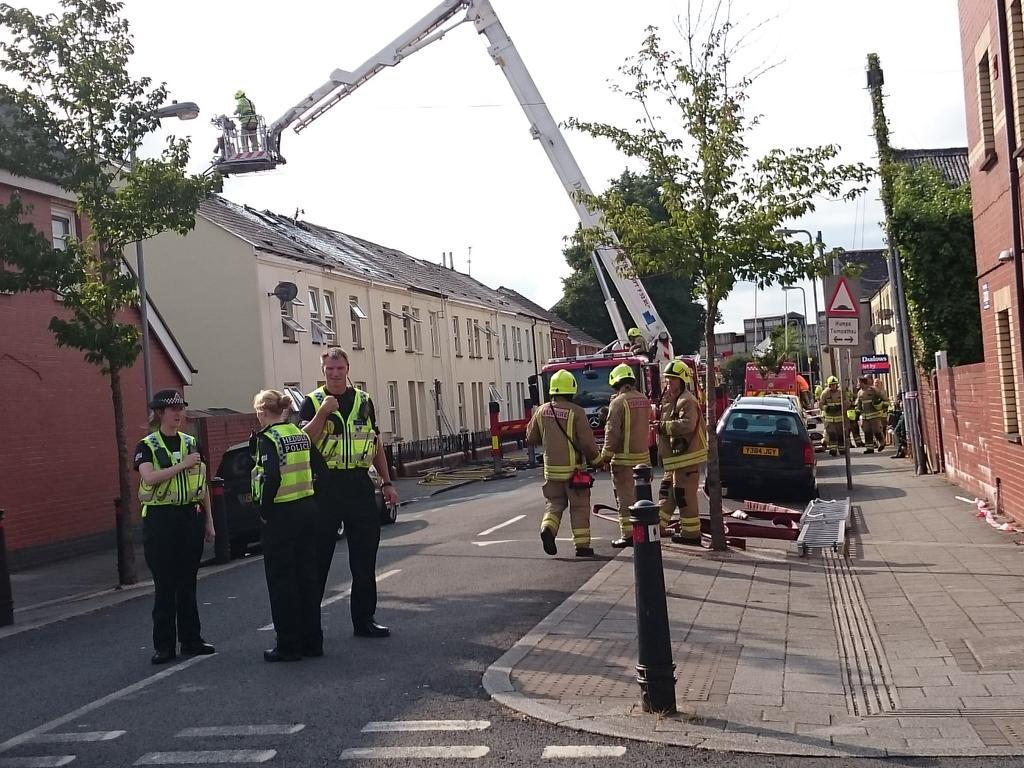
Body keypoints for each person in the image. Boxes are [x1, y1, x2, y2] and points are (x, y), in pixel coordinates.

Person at [299, 347, 399, 638]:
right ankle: (309, 627)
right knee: (318, 559)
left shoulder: (364, 401)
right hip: (324, 486)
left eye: (339, 368)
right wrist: (322, 412)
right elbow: (304, 440)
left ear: (347, 369)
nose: (334, 374)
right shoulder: (312, 401)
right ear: (322, 372)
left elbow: (375, 443)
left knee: (365, 557)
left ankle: (364, 620)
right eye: (329, 369)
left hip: (358, 484)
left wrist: (387, 482)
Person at [134, 390, 215, 665]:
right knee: (165, 585)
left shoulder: (192, 443)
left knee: (188, 584)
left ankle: (192, 639)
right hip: (160, 521)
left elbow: (202, 484)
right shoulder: (146, 446)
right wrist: (182, 465)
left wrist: (209, 521)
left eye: (181, 408)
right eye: (172, 410)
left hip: (189, 518)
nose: (178, 414)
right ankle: (164, 645)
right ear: (160, 413)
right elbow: (149, 476)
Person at [252, 389, 327, 661]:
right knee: (307, 576)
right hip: (306, 510)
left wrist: (264, 509)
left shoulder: (268, 438)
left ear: (262, 411)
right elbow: (321, 468)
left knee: (282, 580)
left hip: (281, 515)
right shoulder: (299, 433)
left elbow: (271, 477)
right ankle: (313, 641)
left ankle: (288, 645)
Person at [526, 369, 600, 557]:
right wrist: (598, 460)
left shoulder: (542, 410)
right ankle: (582, 546)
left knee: (554, 504)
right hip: (574, 472)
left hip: (551, 471)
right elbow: (587, 442)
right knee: (579, 507)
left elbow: (531, 437)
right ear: (571, 390)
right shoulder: (577, 412)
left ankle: (548, 529)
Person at [598, 364, 652, 548]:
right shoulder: (644, 399)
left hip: (623, 462)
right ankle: (643, 532)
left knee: (625, 500)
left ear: (615, 382)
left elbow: (612, 433)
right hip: (644, 460)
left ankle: (629, 536)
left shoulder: (618, 403)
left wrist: (605, 457)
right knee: (642, 500)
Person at [658, 360, 708, 545]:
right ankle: (658, 528)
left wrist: (663, 427)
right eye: (667, 379)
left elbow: (687, 424)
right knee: (667, 493)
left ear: (682, 380)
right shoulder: (672, 400)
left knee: (684, 496)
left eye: (672, 379)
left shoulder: (687, 400)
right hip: (675, 460)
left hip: (687, 457)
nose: (668, 383)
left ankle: (691, 535)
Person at [855, 376, 890, 454]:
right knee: (867, 432)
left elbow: (885, 399)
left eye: (859, 382)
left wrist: (882, 405)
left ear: (863, 383)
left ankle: (882, 442)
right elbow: (858, 404)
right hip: (865, 416)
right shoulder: (859, 392)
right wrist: (857, 410)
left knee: (876, 431)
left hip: (875, 415)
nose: (858, 384)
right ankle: (869, 448)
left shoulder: (874, 390)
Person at [818, 376, 847, 456]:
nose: (833, 386)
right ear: (829, 385)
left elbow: (847, 402)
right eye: (831, 385)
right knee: (832, 434)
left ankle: (842, 449)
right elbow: (820, 404)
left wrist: (841, 407)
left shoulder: (841, 392)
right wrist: (826, 408)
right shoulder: (825, 393)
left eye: (835, 384)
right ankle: (833, 449)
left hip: (839, 418)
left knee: (841, 435)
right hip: (829, 418)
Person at [889, 393, 908, 459]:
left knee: (899, 431)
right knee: (898, 431)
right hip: (903, 413)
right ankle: (901, 450)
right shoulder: (902, 389)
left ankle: (901, 450)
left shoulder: (903, 388)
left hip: (905, 413)